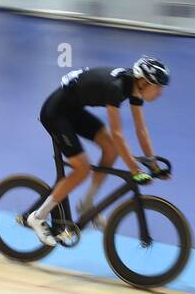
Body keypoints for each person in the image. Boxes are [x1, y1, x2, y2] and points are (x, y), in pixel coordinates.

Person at [26, 58, 170, 246]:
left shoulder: (134, 87)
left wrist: (153, 165)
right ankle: (38, 216)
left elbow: (141, 130)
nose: (160, 93)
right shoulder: (116, 88)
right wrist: (135, 170)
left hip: (73, 111)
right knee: (82, 169)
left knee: (110, 149)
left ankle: (87, 203)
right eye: (158, 87)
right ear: (144, 81)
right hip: (55, 114)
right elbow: (118, 135)